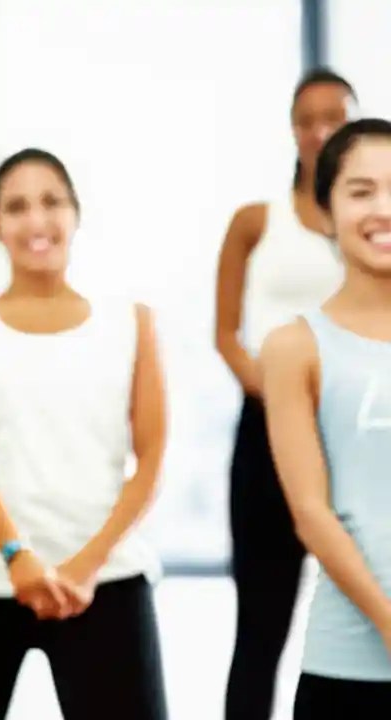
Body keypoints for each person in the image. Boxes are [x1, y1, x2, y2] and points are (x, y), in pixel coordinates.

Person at [0, 148, 168, 719]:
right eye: (16, 207)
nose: (36, 220)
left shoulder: (132, 321)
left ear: (76, 213)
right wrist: (16, 554)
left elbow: (151, 460)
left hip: (103, 579)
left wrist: (86, 566)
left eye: (52, 202)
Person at [214, 67, 357, 719]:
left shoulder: (370, 226)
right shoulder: (255, 222)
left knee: (358, 620)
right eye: (308, 118)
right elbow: (226, 335)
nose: (321, 129)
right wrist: (275, 394)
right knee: (261, 629)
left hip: (353, 436)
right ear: (292, 129)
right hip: (266, 434)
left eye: (335, 116)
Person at [260, 117, 391, 718]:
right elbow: (312, 514)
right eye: (361, 191)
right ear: (325, 209)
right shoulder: (295, 347)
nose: (383, 209)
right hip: (345, 672)